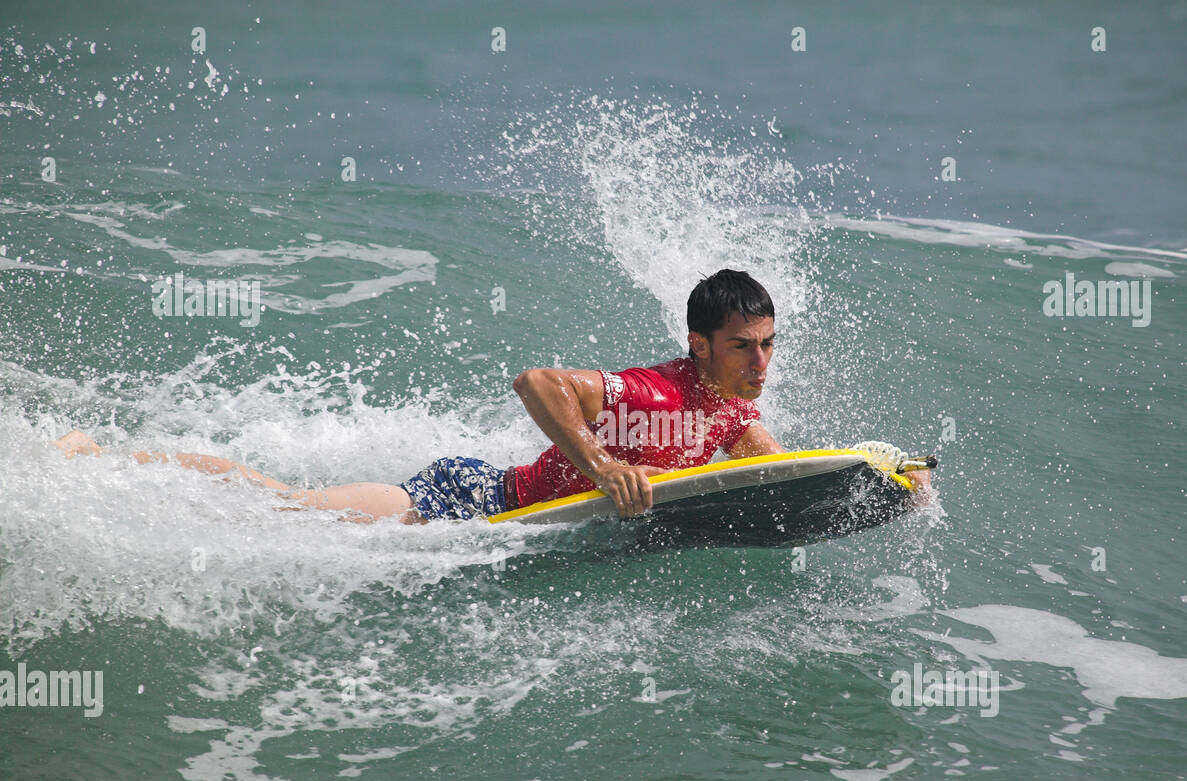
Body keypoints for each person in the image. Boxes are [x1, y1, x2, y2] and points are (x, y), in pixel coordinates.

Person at [53, 269, 927, 523]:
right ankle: (117, 458)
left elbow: (769, 478)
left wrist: (869, 483)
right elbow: (535, 382)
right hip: (472, 499)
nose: (761, 363)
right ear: (699, 344)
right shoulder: (649, 389)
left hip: (522, 514)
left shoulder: (736, 416)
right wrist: (600, 461)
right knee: (292, 509)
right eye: (744, 347)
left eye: (770, 346)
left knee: (296, 508)